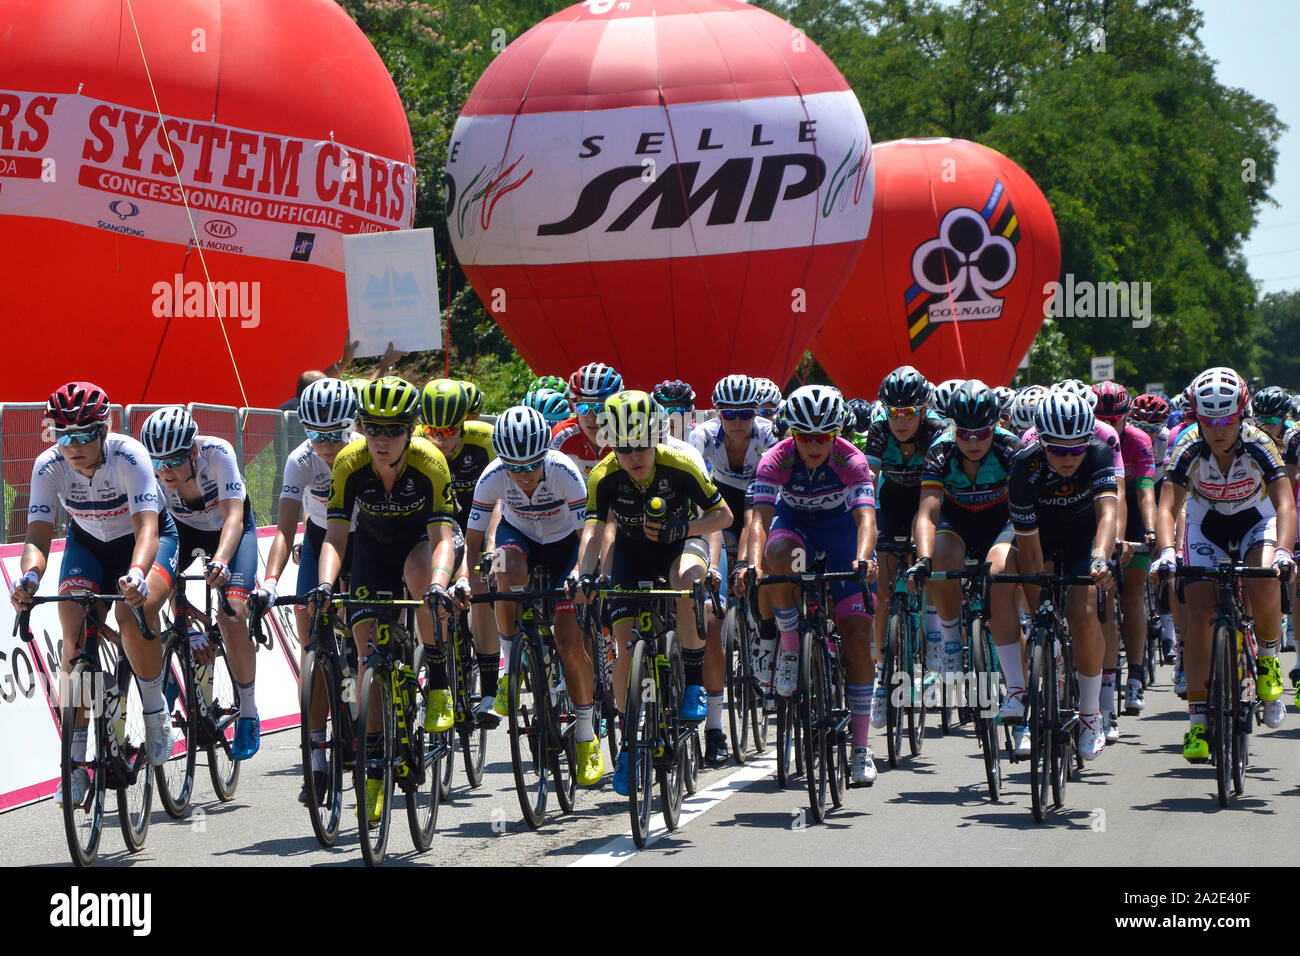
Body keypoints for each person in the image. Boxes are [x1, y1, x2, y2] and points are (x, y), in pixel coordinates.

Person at [11, 383, 181, 805]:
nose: (72, 446)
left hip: (145, 542)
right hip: (87, 544)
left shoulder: (129, 455)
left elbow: (147, 528)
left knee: (130, 614)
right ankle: (73, 764)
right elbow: (38, 533)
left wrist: (139, 574)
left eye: (84, 435)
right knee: (72, 638)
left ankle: (157, 715)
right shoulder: (49, 465)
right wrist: (29, 579)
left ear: (104, 430)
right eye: (62, 435)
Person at [570, 390, 733, 796]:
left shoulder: (680, 465)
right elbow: (592, 532)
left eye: (643, 445)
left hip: (681, 545)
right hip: (633, 555)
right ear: (613, 445)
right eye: (624, 449)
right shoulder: (603, 475)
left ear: (656, 436)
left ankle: (694, 683)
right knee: (626, 650)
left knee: (687, 579)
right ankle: (628, 747)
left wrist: (684, 528)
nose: (635, 457)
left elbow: (724, 515)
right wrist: (583, 573)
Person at [312, 377, 458, 824]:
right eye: (372, 428)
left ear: (411, 430)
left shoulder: (431, 462)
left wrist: (438, 583)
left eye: (392, 430)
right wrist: (324, 585)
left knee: (421, 581)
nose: (381, 439)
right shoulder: (349, 463)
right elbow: (335, 536)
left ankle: (437, 680)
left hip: (418, 544)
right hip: (372, 550)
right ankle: (372, 770)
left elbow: (443, 537)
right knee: (365, 657)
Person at [1154, 367, 1296, 761]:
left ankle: (1268, 661)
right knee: (1199, 613)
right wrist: (1167, 551)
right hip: (1206, 523)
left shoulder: (1259, 443)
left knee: (1265, 580)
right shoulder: (1185, 446)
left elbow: (1285, 503)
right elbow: (1167, 506)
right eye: (1209, 420)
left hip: (1256, 518)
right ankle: (1198, 722)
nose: (1219, 429)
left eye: (1227, 419)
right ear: (1197, 418)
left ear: (1241, 415)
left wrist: (1284, 551)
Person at [465, 406, 604, 785]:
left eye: (531, 466)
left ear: (544, 456)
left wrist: (581, 573)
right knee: (502, 569)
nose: (524, 476)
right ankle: (512, 663)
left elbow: (586, 536)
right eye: (515, 467)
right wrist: (469, 578)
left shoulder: (564, 471)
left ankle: (585, 734)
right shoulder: (493, 475)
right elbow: (474, 541)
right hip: (520, 536)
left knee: (569, 640)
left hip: (565, 546)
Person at [752, 385, 879, 785]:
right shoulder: (776, 458)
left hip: (843, 535)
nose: (813, 445)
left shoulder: (851, 459)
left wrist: (863, 558)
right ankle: (790, 649)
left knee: (857, 635)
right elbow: (758, 519)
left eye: (822, 436)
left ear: (836, 434)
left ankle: (861, 749)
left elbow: (866, 520)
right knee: (780, 558)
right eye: (804, 436)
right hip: (796, 529)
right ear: (791, 432)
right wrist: (750, 563)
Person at [252, 378, 359, 800]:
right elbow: (283, 529)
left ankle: (377, 699)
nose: (327, 444)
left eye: (336, 435)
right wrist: (271, 583)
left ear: (352, 426)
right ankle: (315, 761)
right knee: (312, 641)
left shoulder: (367, 453)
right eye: (317, 435)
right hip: (319, 538)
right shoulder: (301, 460)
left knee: (367, 629)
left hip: (367, 538)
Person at [907, 381, 1028, 750]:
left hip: (1003, 521)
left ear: (996, 426)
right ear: (952, 428)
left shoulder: (1011, 449)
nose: (973, 441)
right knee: (940, 559)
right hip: (957, 521)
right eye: (964, 432)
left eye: (982, 432)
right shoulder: (941, 451)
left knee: (996, 577)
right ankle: (951, 644)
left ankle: (1019, 693)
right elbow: (927, 512)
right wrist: (923, 559)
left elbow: (1026, 511)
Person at [1002, 390, 1119, 760]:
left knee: (1084, 617)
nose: (1068, 458)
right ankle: (1038, 684)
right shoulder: (1025, 467)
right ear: (1042, 443)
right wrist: (1039, 604)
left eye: (1076, 450)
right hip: (1040, 537)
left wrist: (1101, 556)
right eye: (1058, 450)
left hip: (1083, 538)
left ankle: (1089, 715)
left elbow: (1107, 514)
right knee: (1042, 617)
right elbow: (1030, 548)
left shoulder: (1099, 453)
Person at [141, 406, 263, 760]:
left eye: (175, 461)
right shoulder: (153, 471)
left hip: (230, 532)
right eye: (158, 462)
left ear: (194, 452)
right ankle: (179, 649)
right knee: (157, 588)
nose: (165, 470)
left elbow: (234, 518)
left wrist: (222, 562)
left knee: (233, 615)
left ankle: (249, 712)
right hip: (181, 529)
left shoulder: (217, 453)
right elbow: (152, 535)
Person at [688, 373, 776, 765]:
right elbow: (701, 494)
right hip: (716, 499)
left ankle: (764, 629)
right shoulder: (702, 436)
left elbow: (761, 505)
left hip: (761, 497)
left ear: (756, 412)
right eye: (729, 415)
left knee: (756, 562)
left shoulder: (768, 435)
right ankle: (715, 726)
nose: (738, 422)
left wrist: (747, 557)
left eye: (745, 414)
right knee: (714, 610)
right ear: (717, 414)